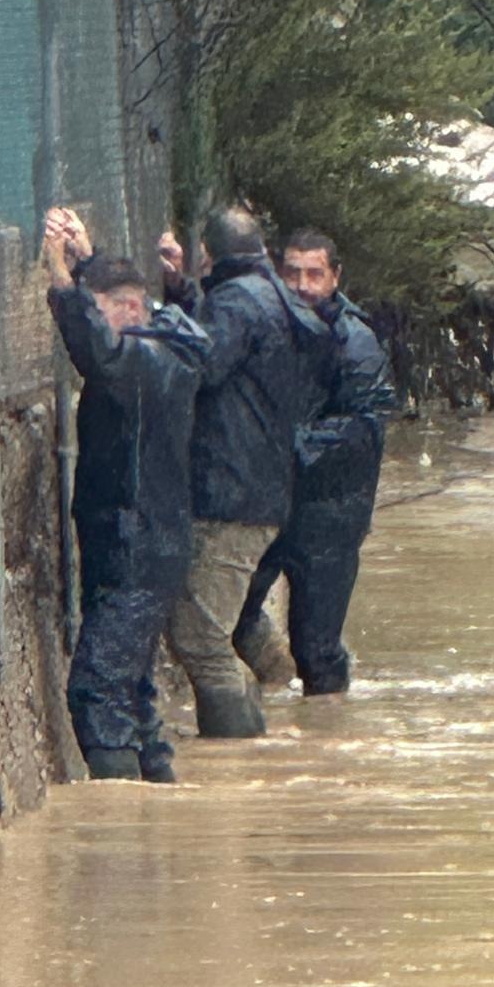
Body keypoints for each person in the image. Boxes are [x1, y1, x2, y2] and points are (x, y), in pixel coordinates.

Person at [44, 206, 204, 783]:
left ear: (132, 311)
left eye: (101, 308)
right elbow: (107, 322)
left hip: (138, 547)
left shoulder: (146, 360)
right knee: (134, 693)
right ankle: (157, 825)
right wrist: (87, 258)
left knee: (97, 690)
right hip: (137, 544)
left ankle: (113, 842)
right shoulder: (167, 342)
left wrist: (63, 283)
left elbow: (101, 353)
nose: (93, 316)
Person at [164, 207, 331, 738]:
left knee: (201, 640)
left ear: (209, 254)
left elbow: (205, 363)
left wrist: (155, 320)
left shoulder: (238, 301)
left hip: (230, 495)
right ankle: (285, 711)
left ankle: (235, 761)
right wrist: (188, 292)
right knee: (220, 630)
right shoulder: (271, 296)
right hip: (260, 491)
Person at [233, 229, 395, 700]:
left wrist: (290, 444)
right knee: (231, 615)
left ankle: (329, 737)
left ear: (335, 277)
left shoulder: (355, 341)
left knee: (318, 651)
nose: (302, 285)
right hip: (267, 502)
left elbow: (365, 427)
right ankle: (274, 679)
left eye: (314, 275)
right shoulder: (265, 324)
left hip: (332, 514)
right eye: (292, 274)